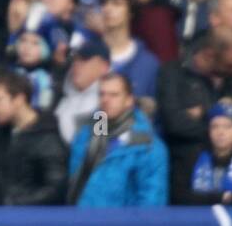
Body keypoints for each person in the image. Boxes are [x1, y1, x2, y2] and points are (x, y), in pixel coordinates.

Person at [67, 72, 169, 207]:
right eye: (102, 94)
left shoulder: (148, 145)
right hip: (83, 223)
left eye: (114, 95)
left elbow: (152, 203)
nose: (105, 100)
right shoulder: (86, 135)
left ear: (129, 100)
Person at [0, 69, 69, 205]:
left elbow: (56, 189)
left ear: (19, 100)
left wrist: (15, 203)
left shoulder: (47, 138)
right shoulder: (1, 134)